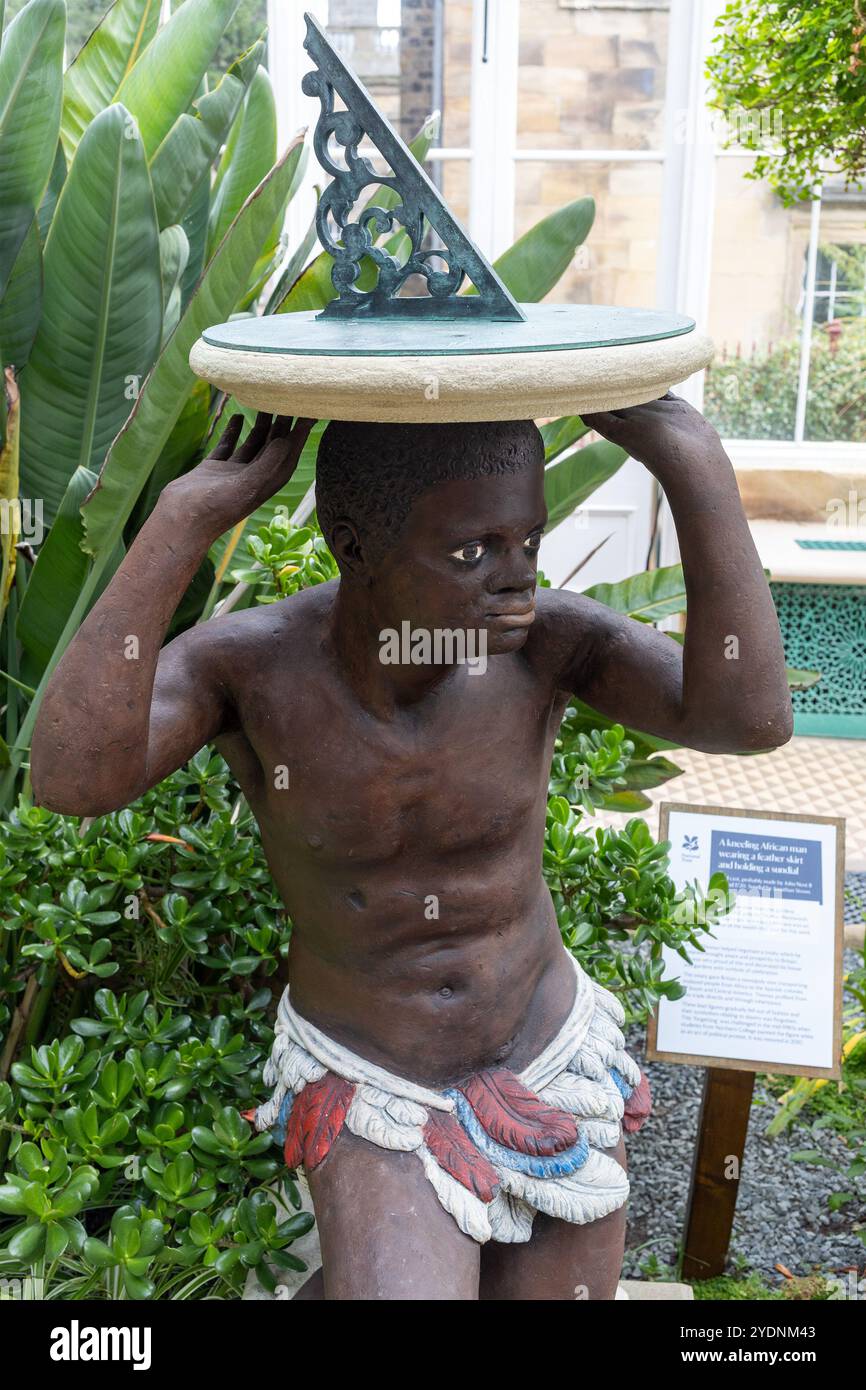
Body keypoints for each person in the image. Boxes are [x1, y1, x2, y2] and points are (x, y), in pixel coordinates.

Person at [30, 394, 792, 1299]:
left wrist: (694, 464)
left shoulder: (549, 645)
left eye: (530, 544)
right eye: (473, 552)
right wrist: (185, 517)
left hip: (546, 1045)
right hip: (375, 1073)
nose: (517, 579)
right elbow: (72, 778)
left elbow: (747, 720)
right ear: (353, 545)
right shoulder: (252, 667)